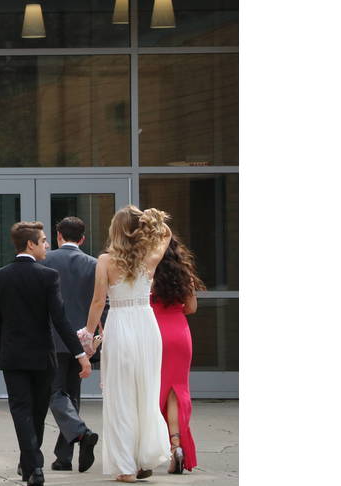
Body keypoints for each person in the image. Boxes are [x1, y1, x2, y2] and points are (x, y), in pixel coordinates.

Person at [0, 221, 92, 486]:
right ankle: (34, 465)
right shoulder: (47, 276)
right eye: (43, 240)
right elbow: (60, 320)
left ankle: (31, 465)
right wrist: (80, 354)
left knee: (21, 411)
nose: (47, 245)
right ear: (30, 244)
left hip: (13, 357)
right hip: (43, 357)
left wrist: (5, 345)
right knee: (36, 413)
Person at [83, 206, 173, 482]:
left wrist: (88, 334)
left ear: (115, 230)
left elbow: (99, 301)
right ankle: (144, 457)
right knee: (146, 393)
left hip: (120, 325)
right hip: (146, 325)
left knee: (121, 397)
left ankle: (125, 467)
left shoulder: (105, 261)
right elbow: (166, 233)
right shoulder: (151, 256)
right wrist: (151, 221)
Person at [40, 216, 101, 473]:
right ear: (83, 238)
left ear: (58, 236)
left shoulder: (46, 260)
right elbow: (101, 302)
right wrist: (96, 336)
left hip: (51, 338)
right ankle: (64, 457)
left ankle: (80, 433)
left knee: (53, 392)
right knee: (72, 396)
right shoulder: (94, 264)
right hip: (81, 338)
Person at [151, 237, 206, 474]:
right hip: (180, 333)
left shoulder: (149, 274)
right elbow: (191, 308)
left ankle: (150, 447)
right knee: (175, 390)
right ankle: (176, 447)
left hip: (155, 332)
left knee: (154, 389)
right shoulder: (184, 274)